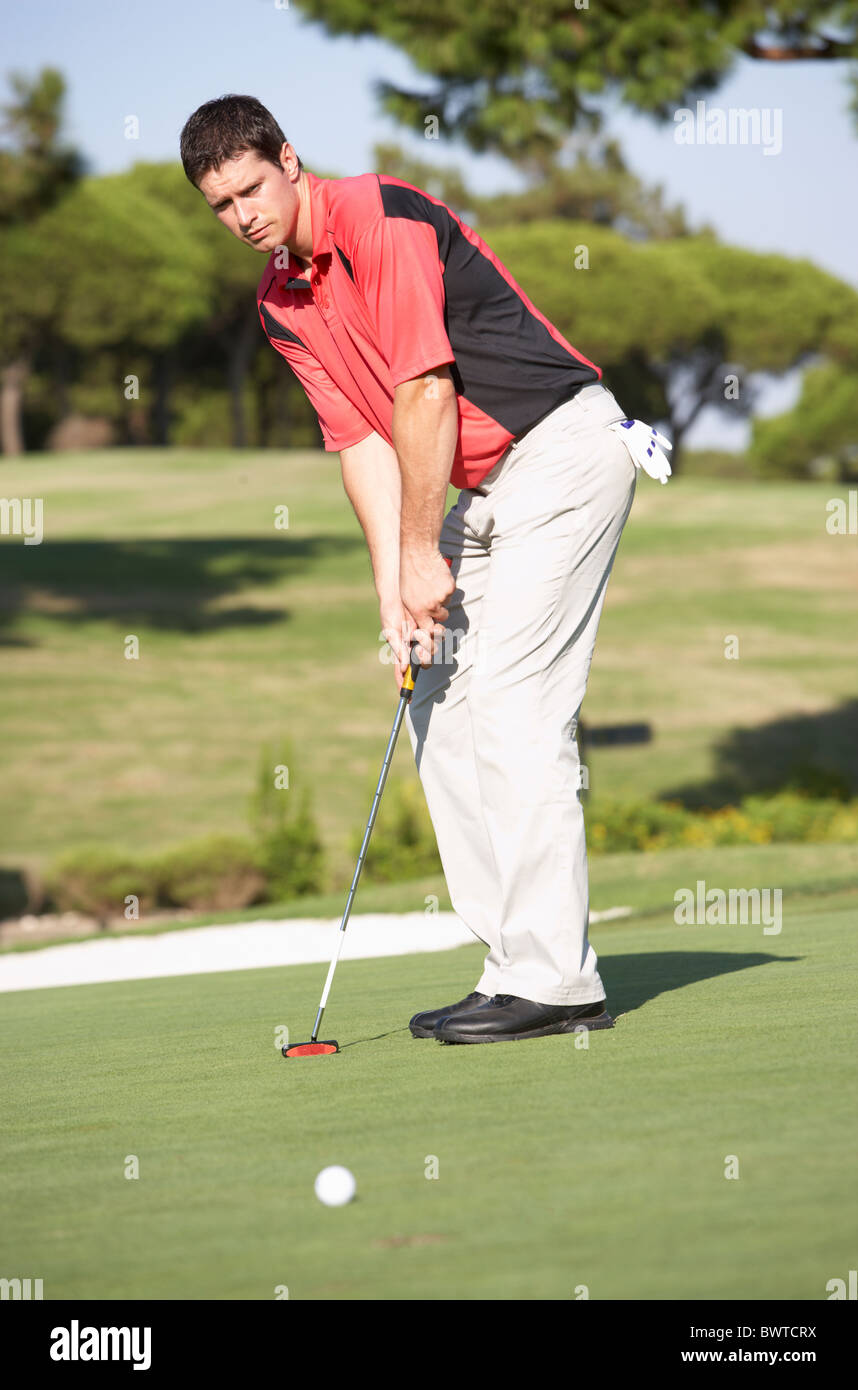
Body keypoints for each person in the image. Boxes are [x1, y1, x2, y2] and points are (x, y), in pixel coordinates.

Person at [179, 94, 671, 1045]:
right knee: (431, 693)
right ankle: (511, 962)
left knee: (519, 709)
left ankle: (560, 980)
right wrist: (391, 586)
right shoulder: (282, 303)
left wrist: (419, 552)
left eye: (250, 188)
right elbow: (362, 438)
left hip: (561, 453)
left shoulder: (382, 219)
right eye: (220, 205)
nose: (242, 215)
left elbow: (424, 391)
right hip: (478, 492)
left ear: (290, 159)